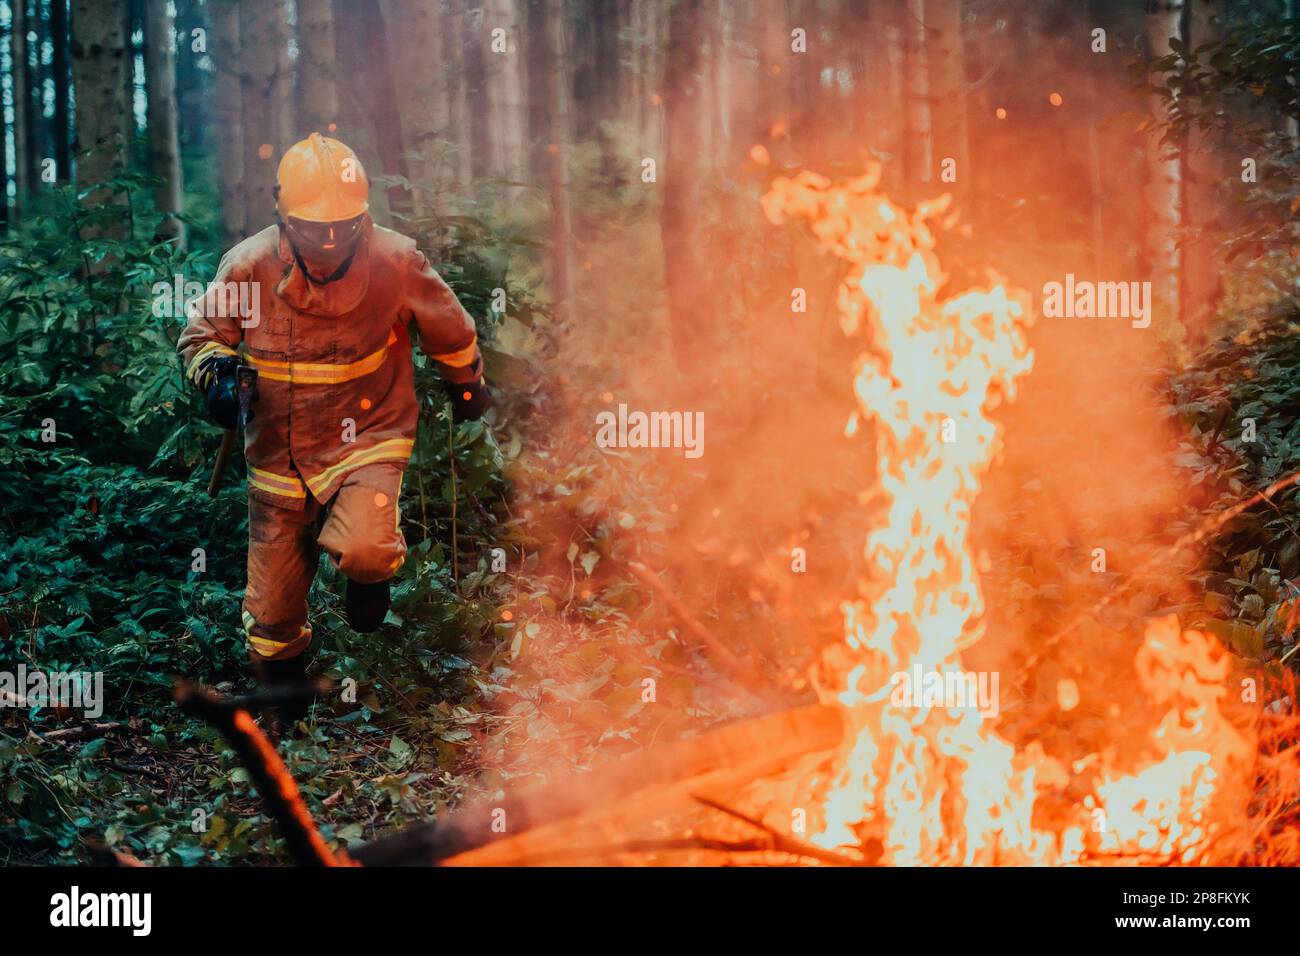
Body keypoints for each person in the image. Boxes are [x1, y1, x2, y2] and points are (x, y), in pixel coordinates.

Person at [178, 133, 487, 721]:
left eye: (340, 227)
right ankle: (287, 706)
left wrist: (466, 381)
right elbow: (202, 336)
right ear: (280, 212)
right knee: (271, 609)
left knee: (367, 545)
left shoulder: (396, 261)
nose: (327, 240)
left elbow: (449, 325)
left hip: (369, 435)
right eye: (313, 227)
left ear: (362, 217)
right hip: (277, 452)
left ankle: (369, 578)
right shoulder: (249, 266)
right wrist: (216, 377)